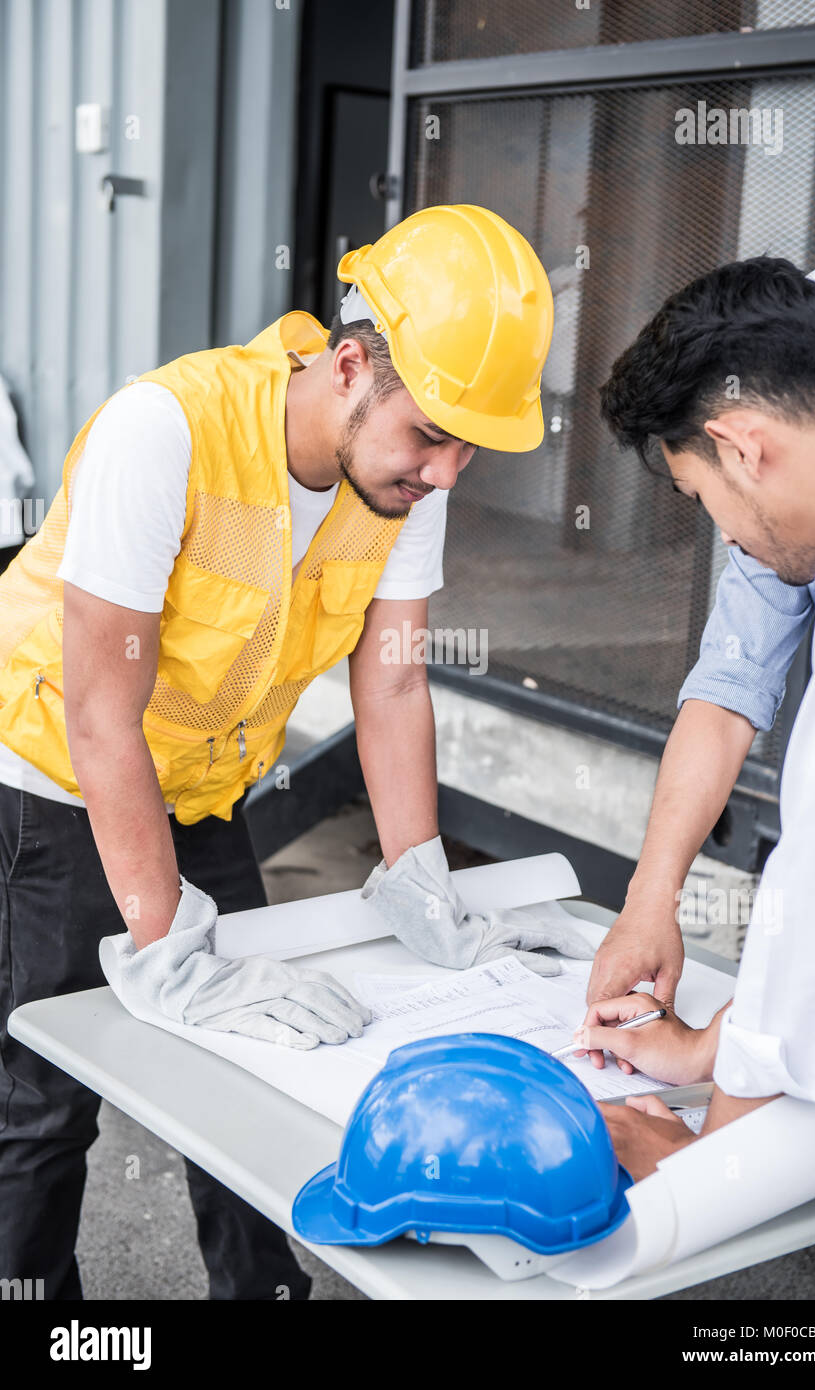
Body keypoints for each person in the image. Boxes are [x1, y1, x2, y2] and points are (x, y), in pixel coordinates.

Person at [0, 204, 572, 1299]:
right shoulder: (163, 430)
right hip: (54, 780)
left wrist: (420, 878)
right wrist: (165, 946)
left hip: (203, 787)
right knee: (43, 1096)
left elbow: (396, 675)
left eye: (468, 447)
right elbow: (98, 714)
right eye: (432, 436)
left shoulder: (407, 479)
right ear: (349, 366)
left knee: (255, 1055)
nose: (449, 471)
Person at [584, 253, 815, 1178]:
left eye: (708, 505)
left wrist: (710, 1156)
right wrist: (647, 901)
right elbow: (733, 676)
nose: (729, 539)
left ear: (741, 447)